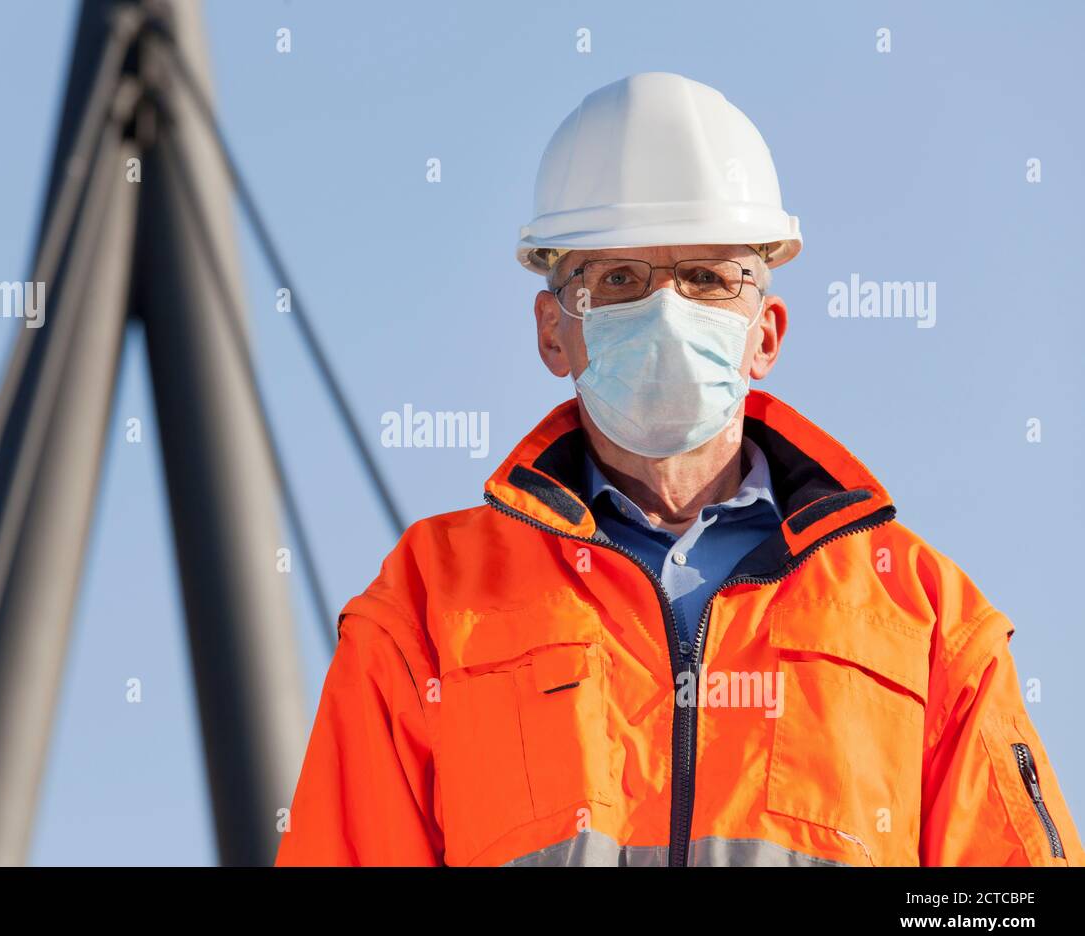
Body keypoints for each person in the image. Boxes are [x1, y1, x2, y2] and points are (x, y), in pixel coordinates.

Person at [274, 72, 1081, 867]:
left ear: (766, 331)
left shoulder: (923, 618)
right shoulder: (427, 601)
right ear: (553, 330)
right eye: (618, 279)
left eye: (705, 277)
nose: (666, 311)